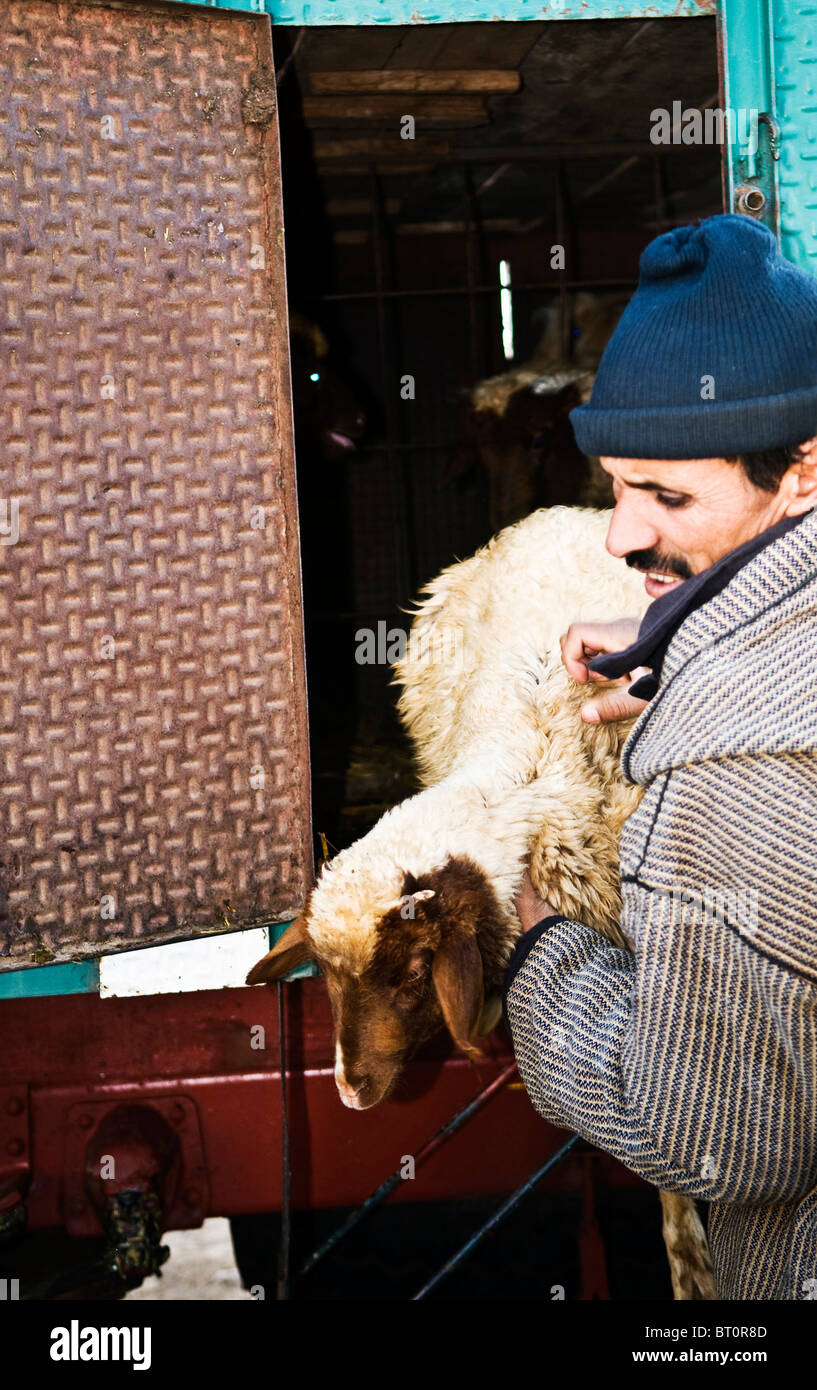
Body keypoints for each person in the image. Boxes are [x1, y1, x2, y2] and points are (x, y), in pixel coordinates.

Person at [503, 213, 817, 1301]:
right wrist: (679, 648)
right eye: (618, 486)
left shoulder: (743, 758)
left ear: (802, 470)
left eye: (668, 497)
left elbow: (717, 1142)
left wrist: (538, 950)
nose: (618, 535)